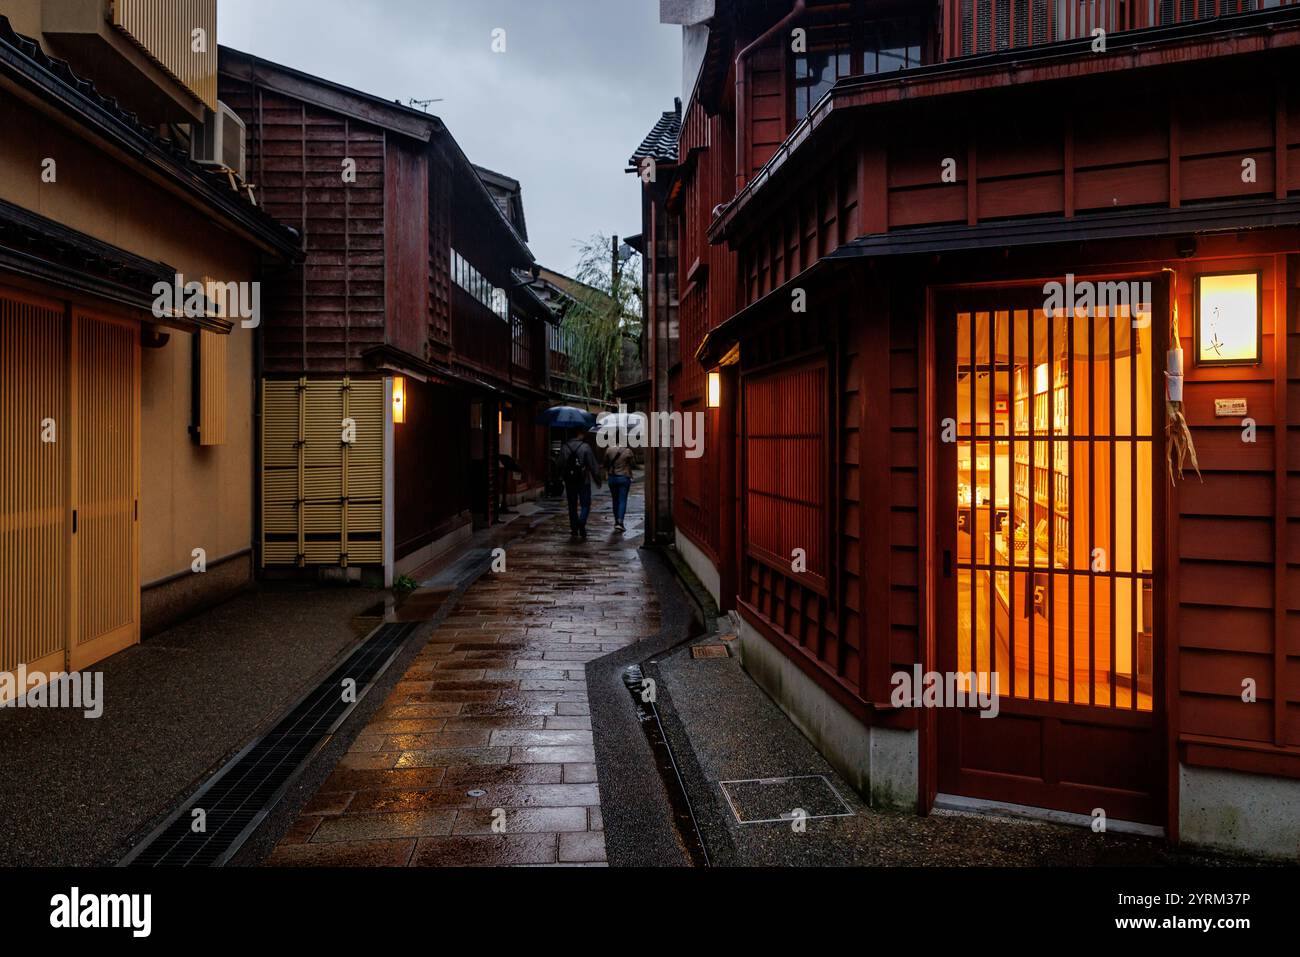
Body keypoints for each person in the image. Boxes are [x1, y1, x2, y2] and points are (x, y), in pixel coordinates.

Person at [559, 427, 601, 539]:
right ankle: (581, 521)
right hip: (583, 479)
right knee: (585, 504)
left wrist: (561, 477)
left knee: (572, 505)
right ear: (580, 434)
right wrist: (597, 479)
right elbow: (593, 464)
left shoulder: (564, 447)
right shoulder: (585, 447)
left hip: (569, 480)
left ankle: (574, 528)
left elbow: (560, 463)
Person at [604, 442, 635, 532]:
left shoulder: (609, 450)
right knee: (622, 500)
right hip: (624, 477)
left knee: (615, 500)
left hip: (612, 477)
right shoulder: (628, 451)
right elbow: (633, 464)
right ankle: (620, 522)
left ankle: (616, 521)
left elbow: (605, 463)